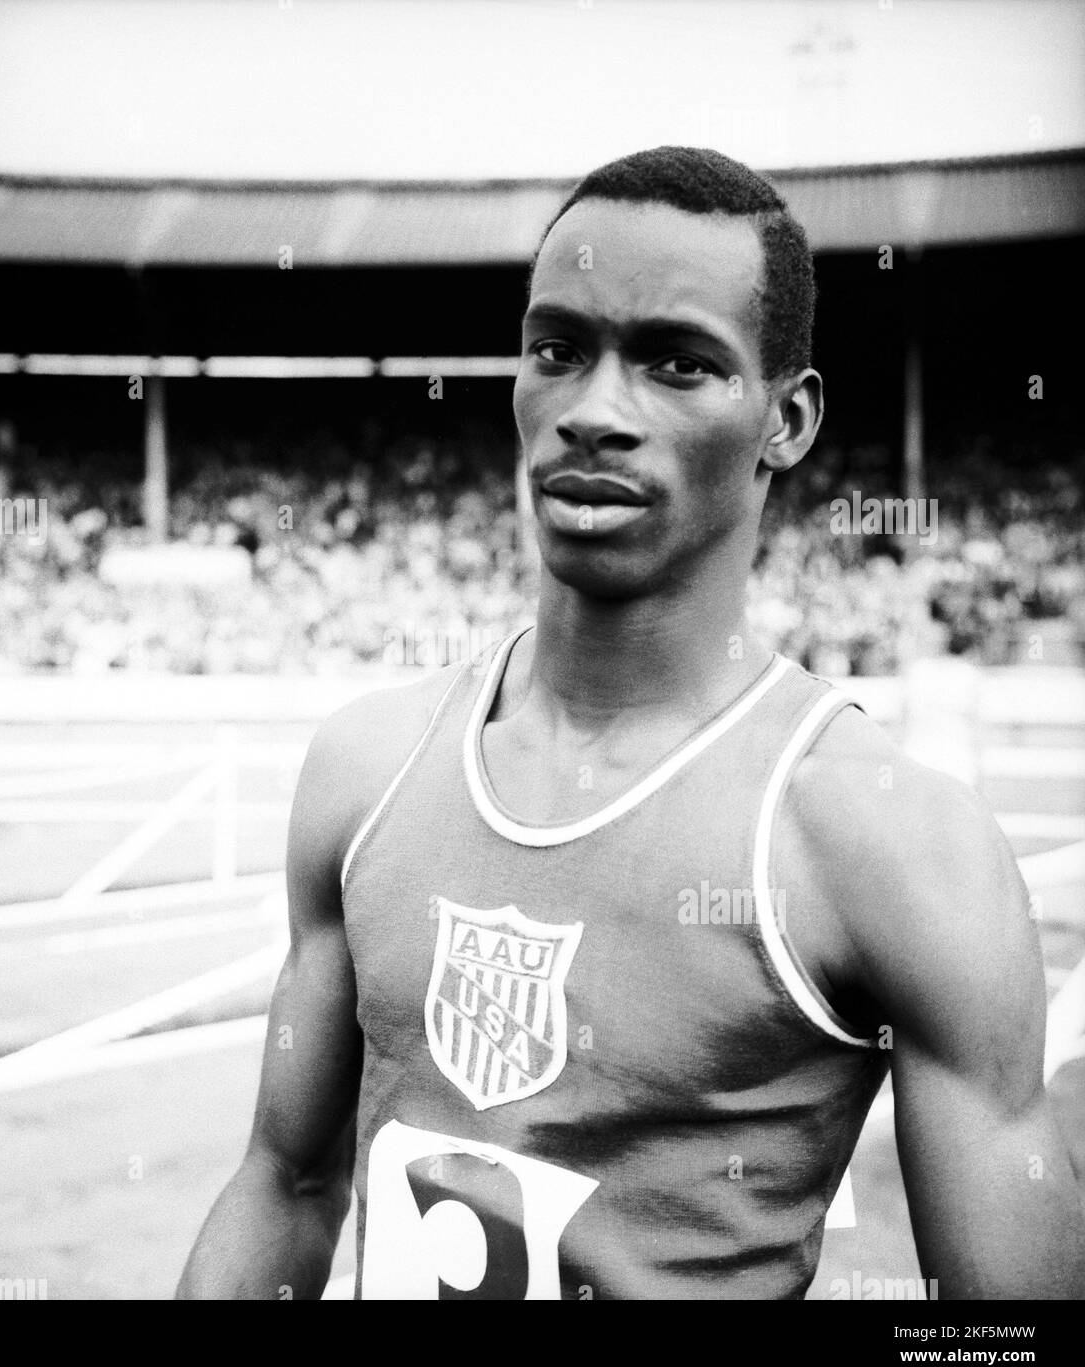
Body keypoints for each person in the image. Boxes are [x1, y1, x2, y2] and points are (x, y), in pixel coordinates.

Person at [177, 147, 1085, 1300]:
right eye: (558, 349)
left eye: (677, 363)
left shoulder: (890, 844)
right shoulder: (365, 767)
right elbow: (286, 1187)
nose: (595, 413)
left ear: (787, 420)